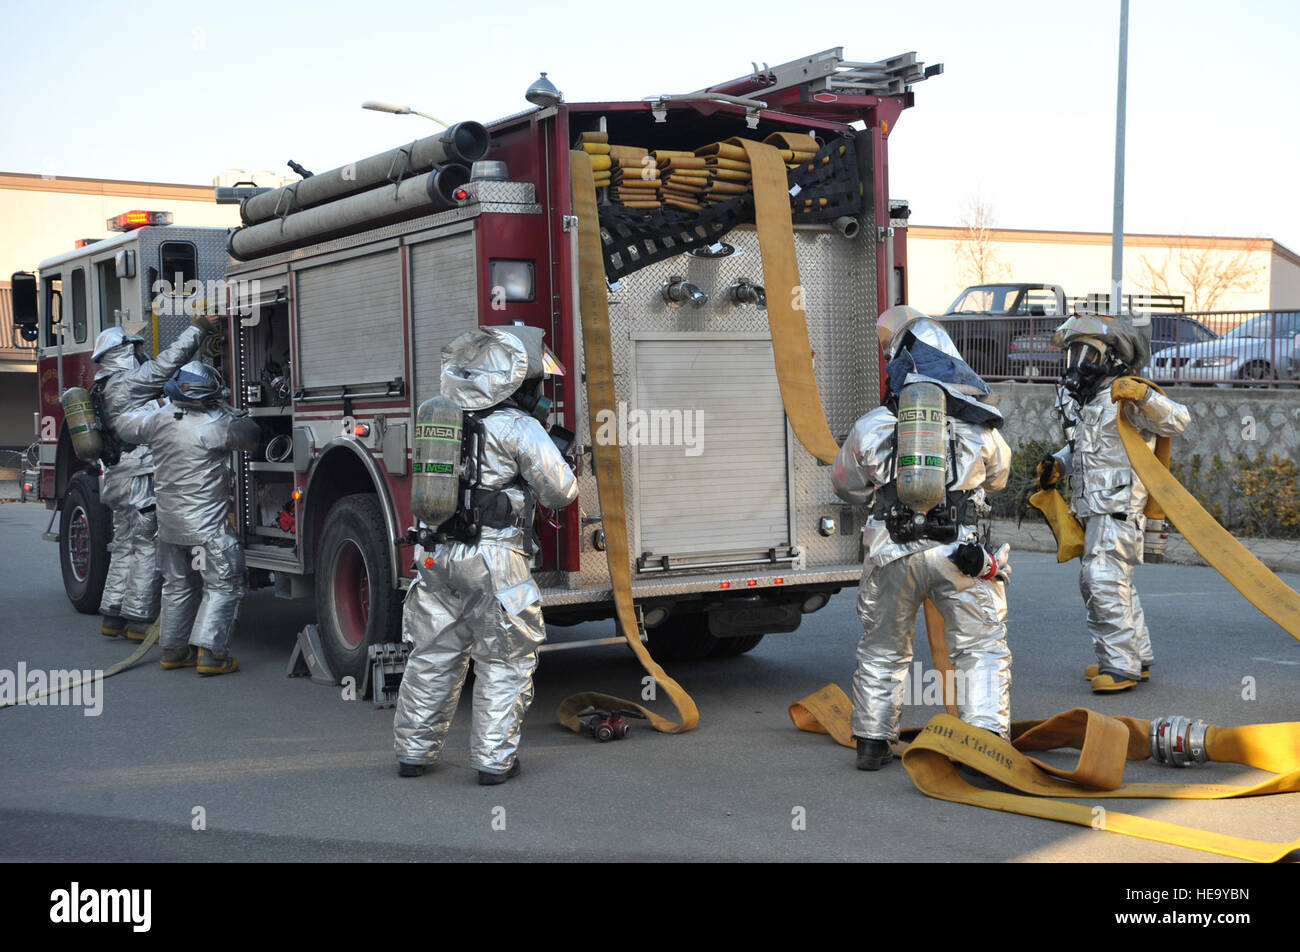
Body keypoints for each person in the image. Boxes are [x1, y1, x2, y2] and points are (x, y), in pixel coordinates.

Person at [393, 325, 578, 785]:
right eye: (534, 385)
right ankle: (494, 763)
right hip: (494, 560)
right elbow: (561, 493)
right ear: (514, 384)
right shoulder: (517, 427)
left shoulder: (440, 417)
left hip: (434, 555)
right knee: (505, 658)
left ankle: (413, 754)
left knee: (433, 654)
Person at [832, 305, 1013, 771]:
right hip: (962, 554)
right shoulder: (979, 425)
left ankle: (872, 743)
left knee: (883, 649)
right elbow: (998, 480)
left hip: (892, 551)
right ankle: (985, 749)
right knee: (979, 648)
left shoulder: (872, 425)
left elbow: (846, 485)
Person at [1038, 313, 1190, 693]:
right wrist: (1058, 463)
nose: (1077, 363)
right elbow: (1083, 450)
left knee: (1101, 580)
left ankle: (1120, 666)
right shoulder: (1090, 402)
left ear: (1112, 356)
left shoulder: (1128, 393)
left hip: (1120, 507)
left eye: (1086, 354)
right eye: (1074, 354)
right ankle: (1137, 657)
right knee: (1117, 582)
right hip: (1096, 507)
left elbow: (1179, 421)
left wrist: (1145, 396)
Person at [115, 361, 260, 674]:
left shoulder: (160, 418)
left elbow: (125, 425)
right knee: (223, 583)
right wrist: (228, 406)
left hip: (169, 528)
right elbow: (253, 434)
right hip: (208, 529)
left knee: (177, 586)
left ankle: (173, 651)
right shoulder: (220, 423)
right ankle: (211, 654)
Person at [90, 316, 220, 640]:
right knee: (148, 545)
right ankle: (138, 619)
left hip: (118, 474)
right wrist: (200, 327)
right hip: (140, 474)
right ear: (121, 353)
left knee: (122, 545)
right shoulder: (128, 383)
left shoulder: (104, 386)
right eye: (133, 349)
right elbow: (167, 364)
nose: (138, 352)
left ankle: (112, 615)